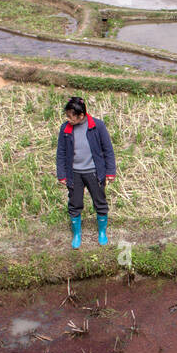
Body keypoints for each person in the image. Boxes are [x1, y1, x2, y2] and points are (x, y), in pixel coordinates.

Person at [55, 96, 117, 249]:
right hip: (74, 173)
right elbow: (61, 152)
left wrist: (110, 172)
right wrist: (62, 174)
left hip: (94, 172)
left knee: (100, 202)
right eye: (67, 116)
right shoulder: (65, 129)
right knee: (75, 204)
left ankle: (102, 233)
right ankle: (77, 234)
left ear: (81, 115)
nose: (68, 119)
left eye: (71, 116)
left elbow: (108, 150)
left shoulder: (98, 126)